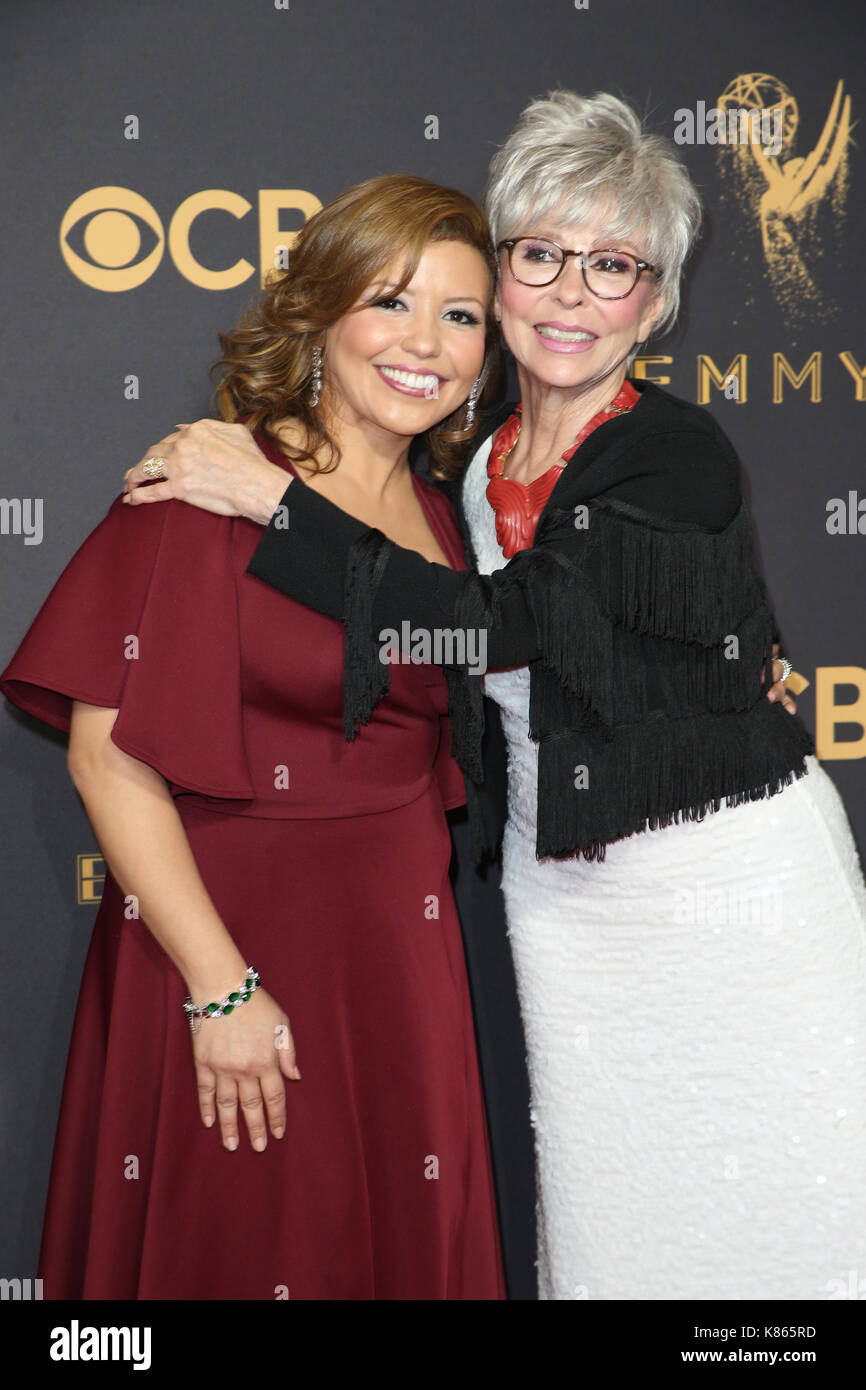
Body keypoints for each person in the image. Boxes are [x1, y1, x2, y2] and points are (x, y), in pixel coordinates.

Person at [122, 92, 866, 1302]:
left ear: (657, 302)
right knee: (614, 1210)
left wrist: (271, 504)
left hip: (723, 889)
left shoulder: (670, 451)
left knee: (790, 1197)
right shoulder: (463, 461)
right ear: (503, 274)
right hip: (563, 898)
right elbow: (453, 644)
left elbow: (501, 624)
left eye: (613, 265)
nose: (572, 294)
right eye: (540, 256)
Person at [0, 174, 508, 1300]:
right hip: (225, 953)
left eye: (460, 316)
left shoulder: (443, 520)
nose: (425, 342)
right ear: (322, 315)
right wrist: (221, 988)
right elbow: (110, 756)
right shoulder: (206, 480)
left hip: (398, 965)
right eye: (390, 300)